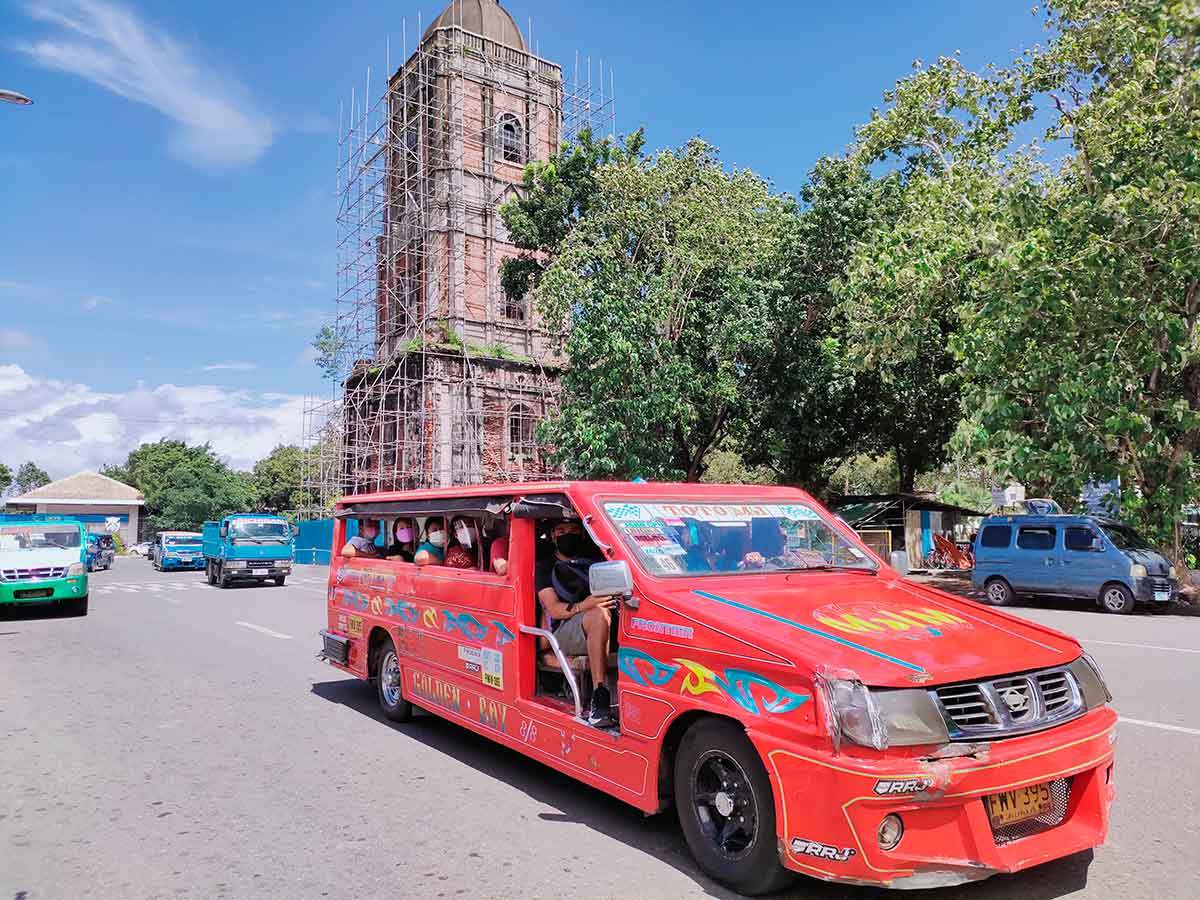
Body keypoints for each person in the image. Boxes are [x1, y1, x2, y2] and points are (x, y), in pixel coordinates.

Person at [535, 518, 615, 727]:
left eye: (572, 530)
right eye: (561, 530)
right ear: (553, 536)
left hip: (608, 621)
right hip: (563, 629)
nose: (566, 534)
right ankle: (600, 695)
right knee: (599, 614)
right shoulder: (545, 567)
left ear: (581, 534)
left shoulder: (596, 560)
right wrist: (584, 605)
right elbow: (553, 608)